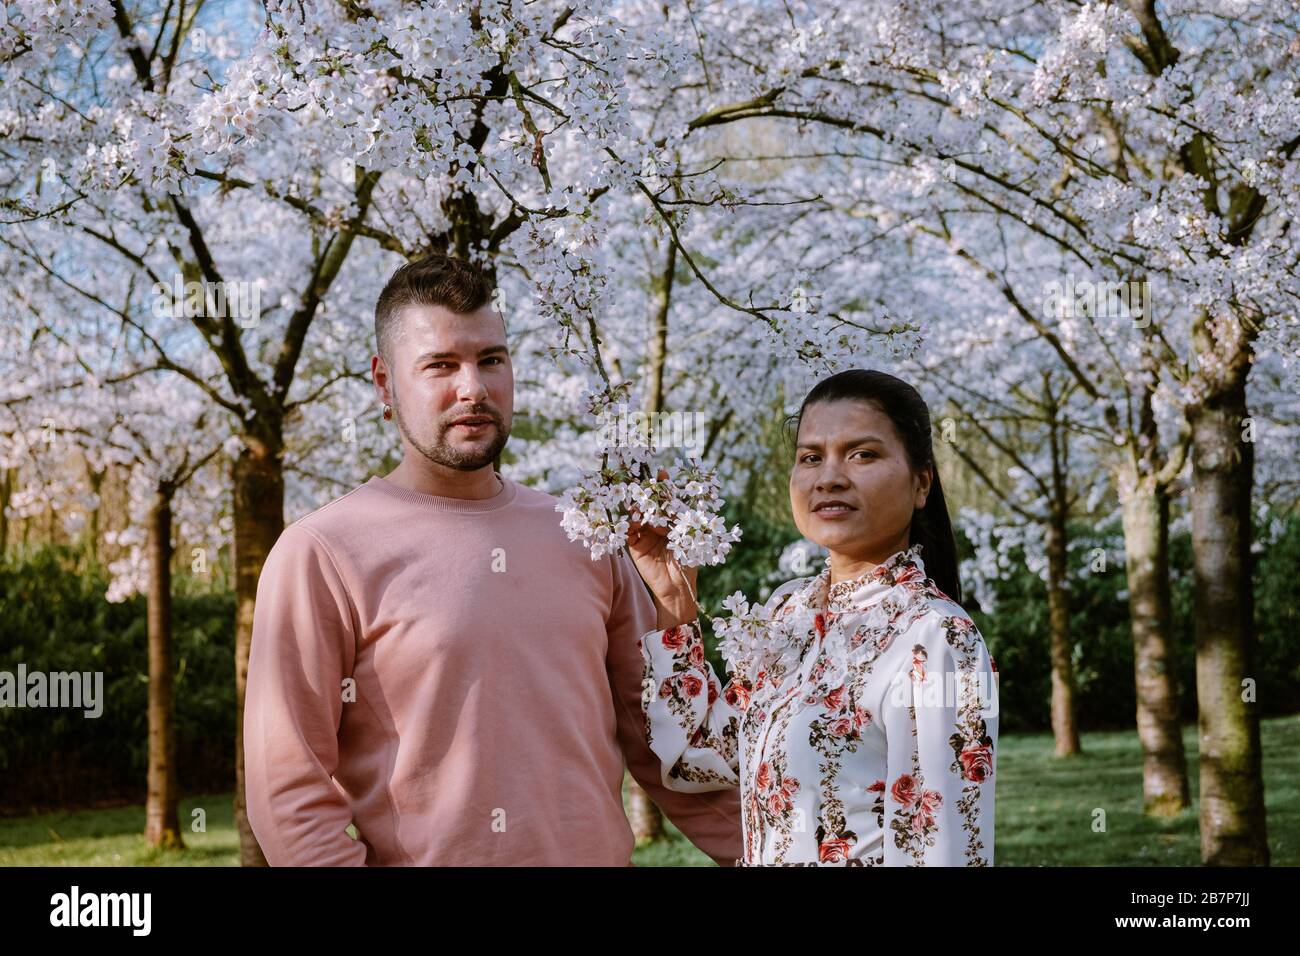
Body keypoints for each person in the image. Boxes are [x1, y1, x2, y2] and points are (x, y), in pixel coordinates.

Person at [243, 254, 742, 866]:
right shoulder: (322, 553)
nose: (473, 388)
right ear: (383, 383)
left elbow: (670, 748)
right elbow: (289, 795)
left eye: (491, 360)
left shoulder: (584, 534)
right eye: (440, 365)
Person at [628, 369, 999, 865]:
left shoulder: (935, 637)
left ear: (921, 483)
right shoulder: (790, 613)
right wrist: (675, 593)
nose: (829, 477)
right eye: (810, 457)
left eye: (862, 454)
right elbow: (702, 757)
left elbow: (944, 849)